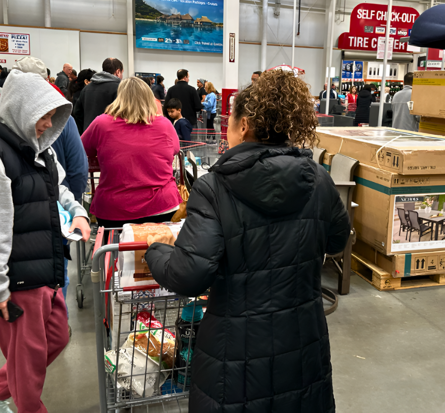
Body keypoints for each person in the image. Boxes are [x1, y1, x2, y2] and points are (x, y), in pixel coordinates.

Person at [145, 69, 350, 413]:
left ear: (244, 126)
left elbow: (189, 274)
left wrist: (157, 250)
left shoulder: (214, 188)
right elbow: (337, 240)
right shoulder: (318, 180)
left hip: (234, 353)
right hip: (302, 342)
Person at [0, 69, 91, 413]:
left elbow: (59, 188)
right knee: (28, 362)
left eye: (52, 116)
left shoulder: (39, 150)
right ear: (21, 110)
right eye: (43, 116)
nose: (49, 124)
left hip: (47, 270)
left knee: (55, 339)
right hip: (16, 280)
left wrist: (77, 211)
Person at [0, 56, 89, 317]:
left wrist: (74, 211)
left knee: (53, 326)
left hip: (49, 231)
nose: (48, 123)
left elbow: (60, 179)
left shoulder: (39, 144)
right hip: (20, 257)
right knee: (30, 342)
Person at [82, 77, 181, 227]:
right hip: (161, 205)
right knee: (159, 248)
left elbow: (81, 150)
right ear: (149, 98)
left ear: (119, 97)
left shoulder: (101, 124)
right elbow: (175, 150)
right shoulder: (165, 125)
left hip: (114, 207)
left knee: (113, 248)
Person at [73, 57, 123, 134]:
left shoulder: (86, 88)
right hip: (109, 135)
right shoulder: (120, 88)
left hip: (88, 134)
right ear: (118, 72)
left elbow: (77, 112)